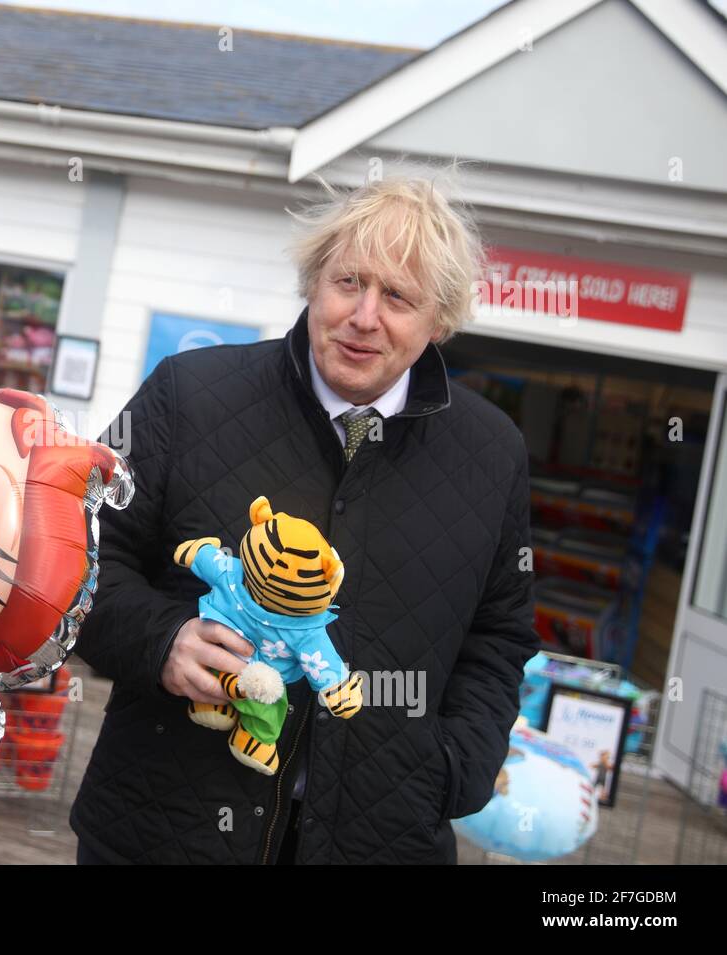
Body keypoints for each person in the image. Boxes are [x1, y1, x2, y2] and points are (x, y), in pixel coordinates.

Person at [70, 176, 540, 864]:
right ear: (313, 281)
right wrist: (160, 638)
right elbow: (77, 551)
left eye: (399, 297)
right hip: (161, 829)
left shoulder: (493, 454)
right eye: (349, 281)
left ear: (437, 320)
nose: (364, 316)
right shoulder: (190, 393)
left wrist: (453, 767)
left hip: (382, 839)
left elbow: (499, 637)